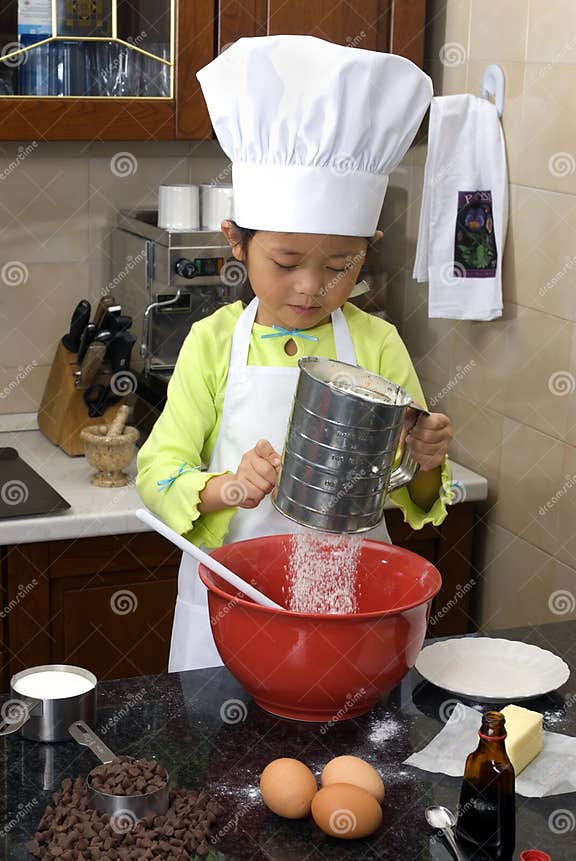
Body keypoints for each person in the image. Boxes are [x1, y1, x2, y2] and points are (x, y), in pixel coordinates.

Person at [136, 35, 454, 672]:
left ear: (369, 246)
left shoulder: (376, 342)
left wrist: (423, 461)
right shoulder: (215, 342)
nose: (312, 287)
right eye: (285, 262)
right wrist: (228, 487)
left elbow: (416, 499)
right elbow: (158, 474)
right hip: (233, 604)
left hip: (350, 608)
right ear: (236, 243)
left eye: (341, 265)